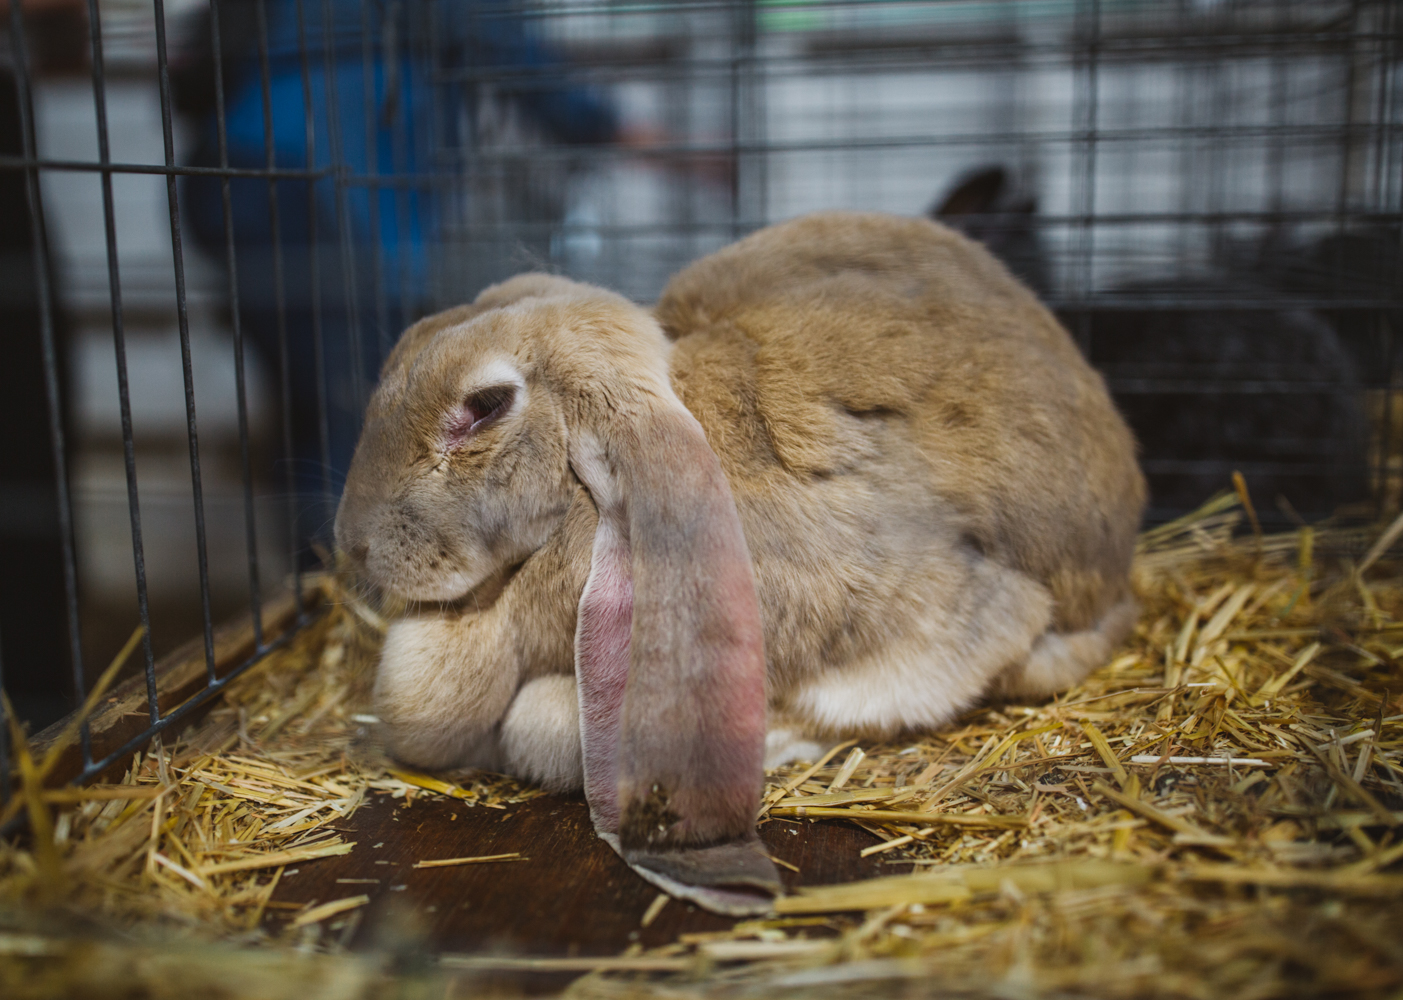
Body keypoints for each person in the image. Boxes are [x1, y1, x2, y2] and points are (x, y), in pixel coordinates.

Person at [175, 0, 621, 561]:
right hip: (317, 183)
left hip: (227, 169)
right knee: (356, 401)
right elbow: (509, 49)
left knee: (308, 400)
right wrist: (615, 126)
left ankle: (313, 593)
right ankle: (349, 602)